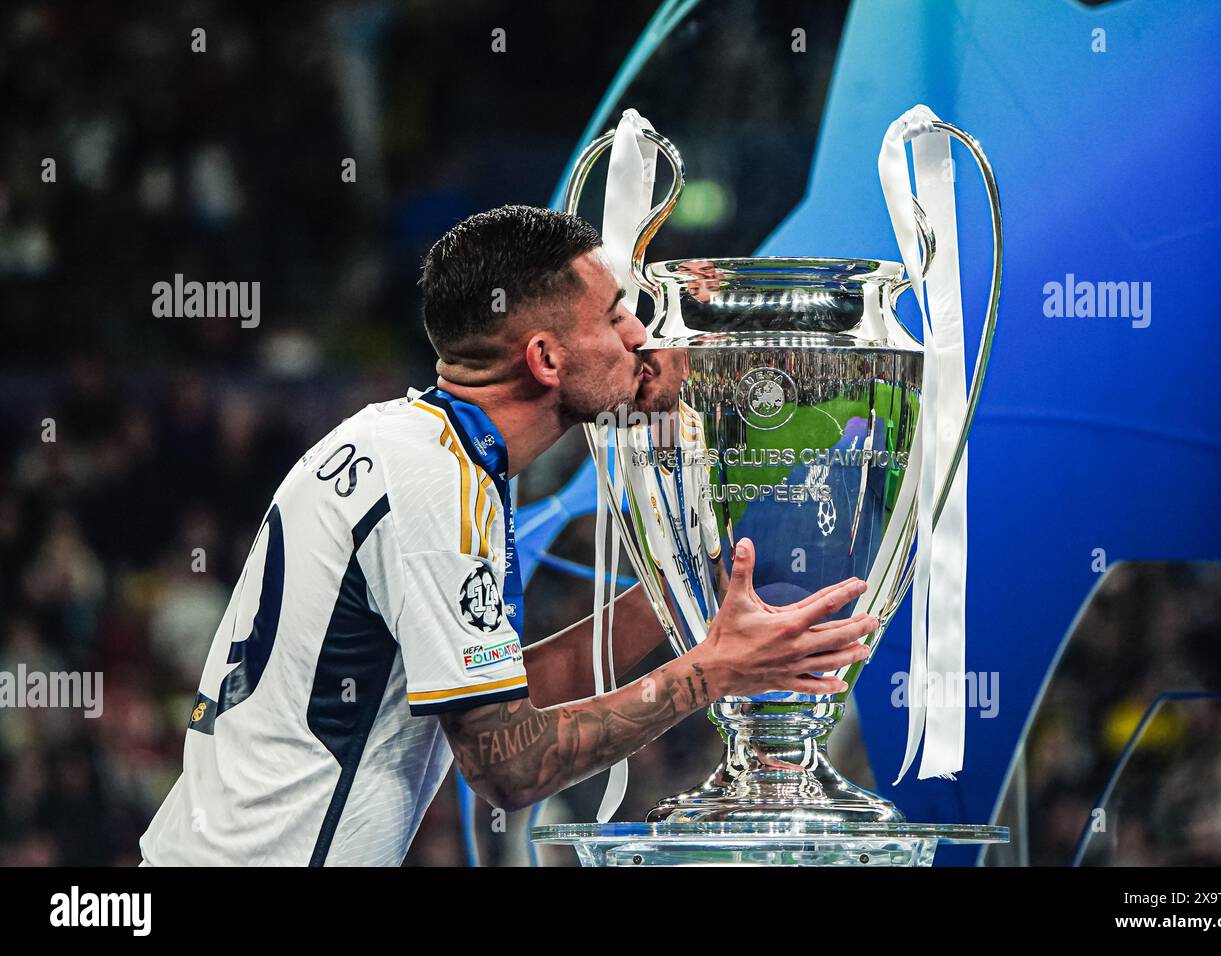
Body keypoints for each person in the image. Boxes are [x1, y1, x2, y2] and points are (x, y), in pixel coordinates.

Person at [139, 205, 877, 866]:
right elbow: (508, 768)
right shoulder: (436, 484)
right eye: (615, 316)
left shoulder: (413, 446)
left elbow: (503, 697)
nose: (638, 335)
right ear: (546, 358)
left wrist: (682, 606)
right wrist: (713, 673)